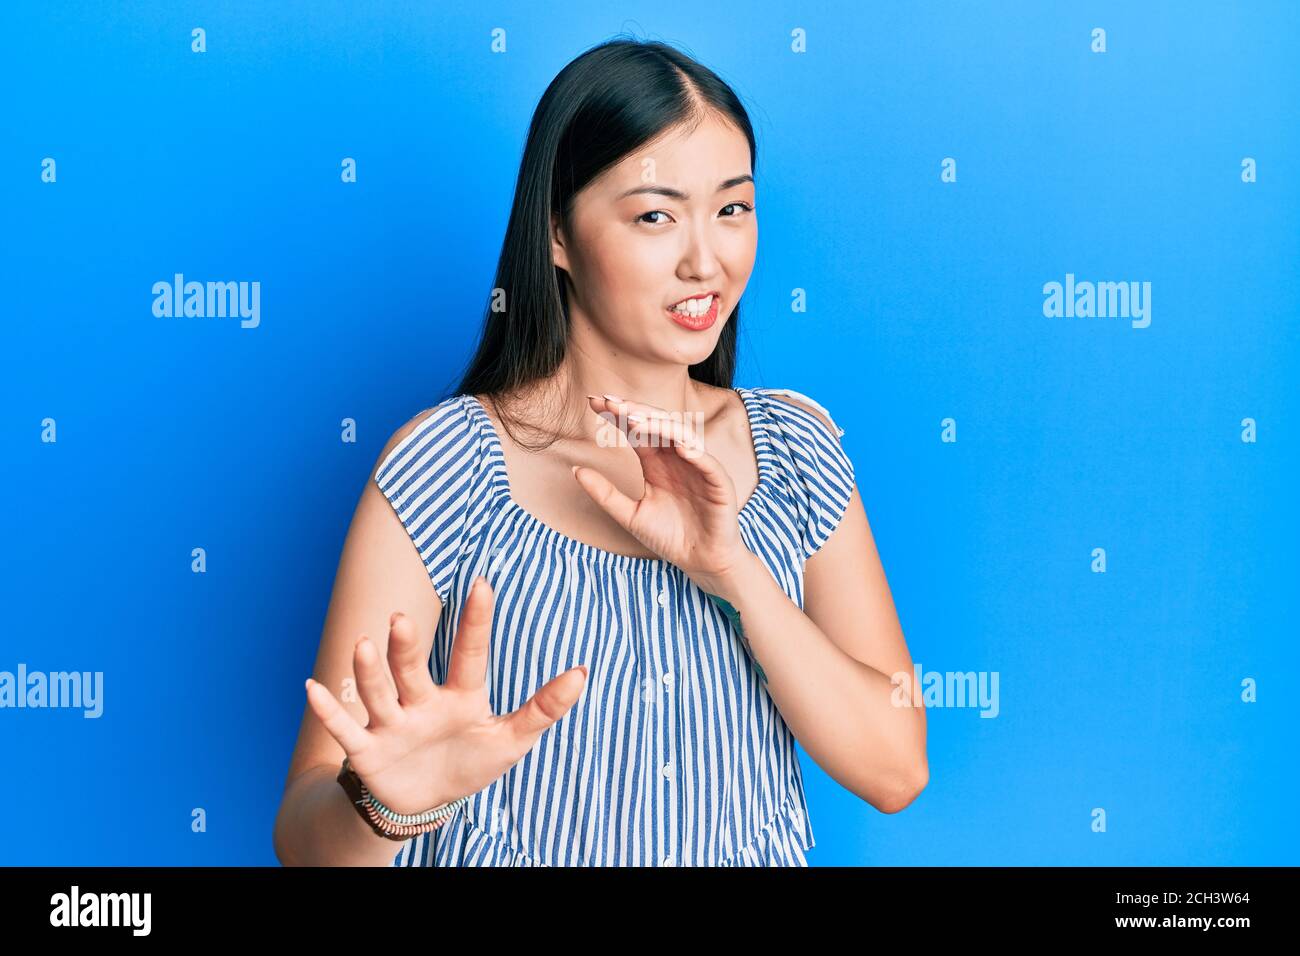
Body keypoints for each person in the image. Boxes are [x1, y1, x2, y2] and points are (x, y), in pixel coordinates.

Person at [273, 37, 926, 867]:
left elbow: (896, 768)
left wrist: (734, 571)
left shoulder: (795, 448)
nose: (708, 260)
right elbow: (304, 839)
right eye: (656, 215)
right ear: (556, 233)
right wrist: (387, 804)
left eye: (733, 208)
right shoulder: (449, 463)